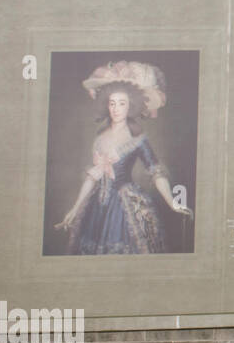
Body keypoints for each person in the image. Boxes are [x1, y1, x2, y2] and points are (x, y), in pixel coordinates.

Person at [54, 61, 191, 253]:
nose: (116, 108)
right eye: (112, 103)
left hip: (124, 205)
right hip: (96, 208)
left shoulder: (137, 138)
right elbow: (92, 177)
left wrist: (172, 203)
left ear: (130, 106)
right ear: (106, 105)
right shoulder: (100, 138)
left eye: (121, 103)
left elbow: (156, 172)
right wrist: (75, 208)